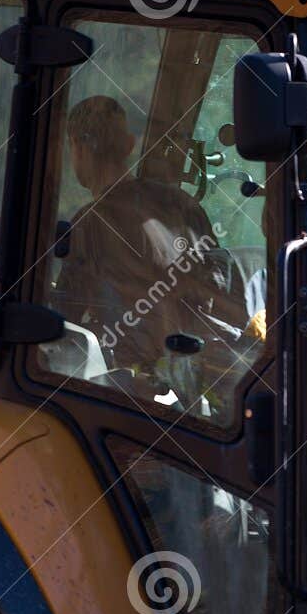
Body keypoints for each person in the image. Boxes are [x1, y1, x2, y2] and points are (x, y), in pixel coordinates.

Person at [57, 95, 247, 397]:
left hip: (133, 393)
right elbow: (219, 292)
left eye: (71, 147)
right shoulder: (182, 204)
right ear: (129, 145)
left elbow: (62, 321)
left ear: (78, 148)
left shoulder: (86, 226)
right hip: (196, 382)